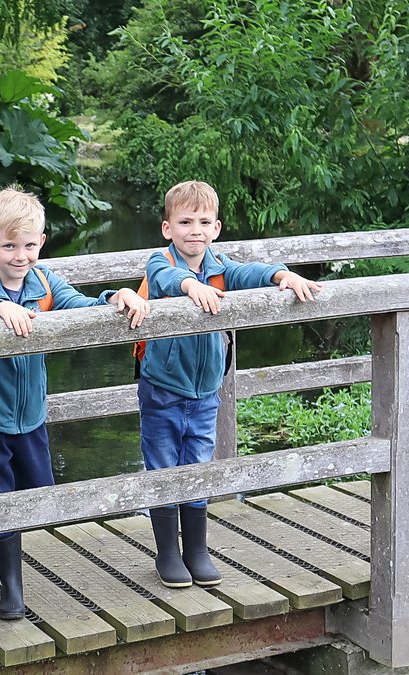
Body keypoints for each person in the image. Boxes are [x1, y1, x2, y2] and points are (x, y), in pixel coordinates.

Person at [0, 187, 150, 619]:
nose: (20, 255)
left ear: (41, 242)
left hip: (31, 417)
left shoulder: (44, 281)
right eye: (9, 246)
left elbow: (78, 305)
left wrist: (115, 297)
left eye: (29, 245)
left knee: (40, 492)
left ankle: (22, 563)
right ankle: (11, 586)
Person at [138, 180, 321, 589]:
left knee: (199, 466)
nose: (195, 231)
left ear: (216, 228)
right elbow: (165, 279)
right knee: (163, 468)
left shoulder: (219, 267)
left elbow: (247, 272)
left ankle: (196, 550)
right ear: (168, 228)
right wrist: (191, 286)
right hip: (163, 389)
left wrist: (282, 275)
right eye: (185, 222)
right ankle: (167, 552)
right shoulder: (159, 262)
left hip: (205, 392)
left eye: (204, 222)